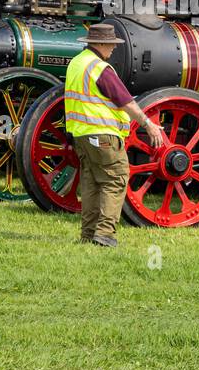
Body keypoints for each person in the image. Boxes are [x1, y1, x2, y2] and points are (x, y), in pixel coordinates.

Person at [64, 24, 165, 248]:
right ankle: (105, 234)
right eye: (110, 44)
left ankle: (88, 233)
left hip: (81, 134)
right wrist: (148, 124)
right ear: (99, 43)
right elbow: (126, 101)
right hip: (103, 135)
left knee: (91, 184)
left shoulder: (76, 63)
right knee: (116, 179)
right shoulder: (101, 68)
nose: (113, 49)